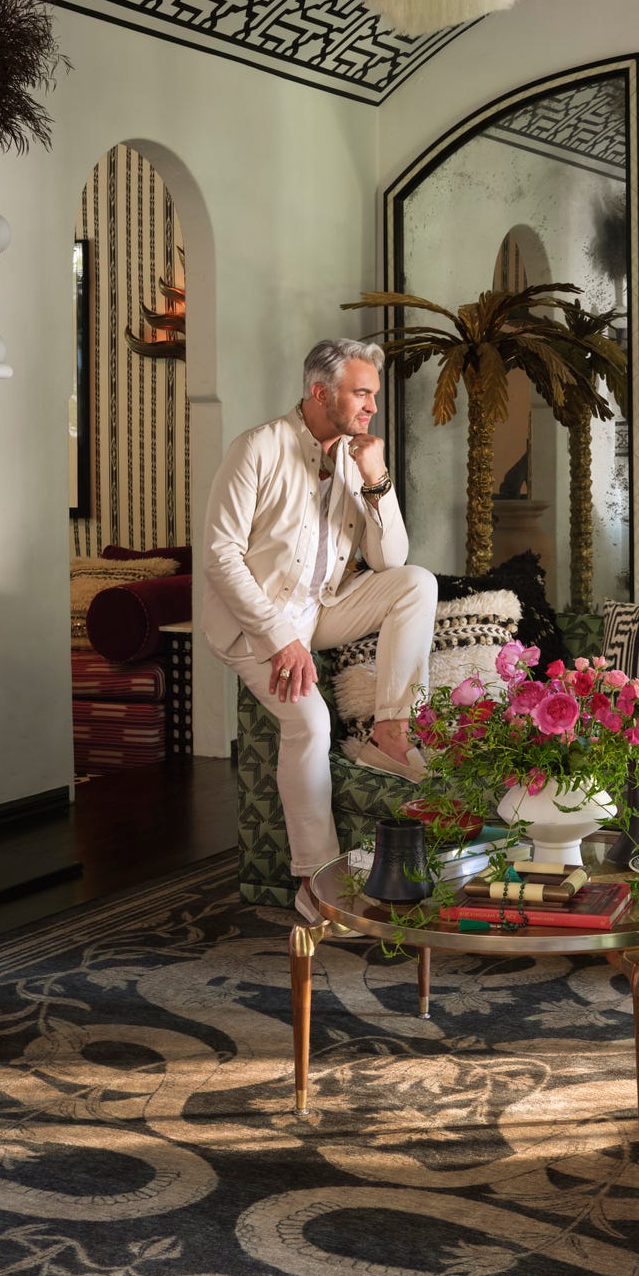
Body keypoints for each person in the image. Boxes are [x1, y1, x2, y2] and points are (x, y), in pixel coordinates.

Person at [198, 337, 436, 920]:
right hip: (254, 626)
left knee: (418, 582)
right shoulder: (256, 448)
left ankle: (391, 728)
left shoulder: (358, 460)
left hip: (321, 610)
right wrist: (281, 640)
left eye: (374, 395)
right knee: (310, 720)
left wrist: (376, 478)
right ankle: (316, 880)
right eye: (361, 393)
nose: (371, 406)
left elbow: (391, 560)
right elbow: (220, 555)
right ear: (318, 391)